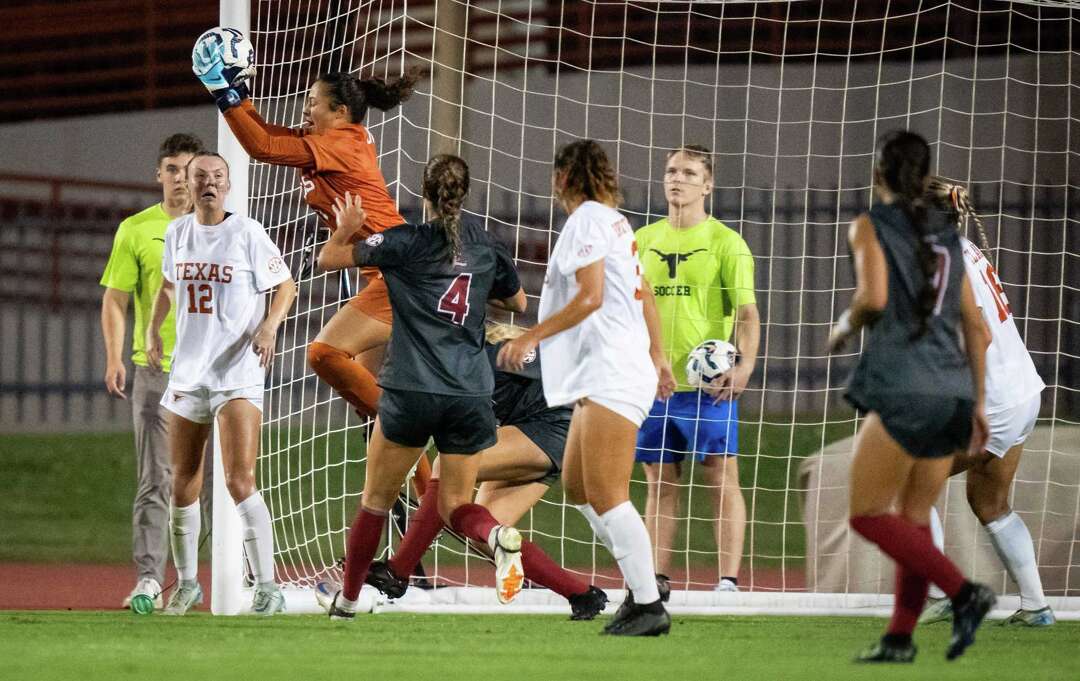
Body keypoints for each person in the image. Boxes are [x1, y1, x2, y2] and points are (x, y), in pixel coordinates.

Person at [315, 155, 528, 620]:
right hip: (470, 394)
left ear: (424, 193)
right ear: (465, 193)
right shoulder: (486, 245)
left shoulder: (402, 241)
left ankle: (348, 602)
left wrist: (347, 227)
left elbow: (329, 259)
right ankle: (494, 536)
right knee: (453, 506)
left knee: (375, 500)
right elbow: (517, 300)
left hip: (412, 391)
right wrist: (472, 286)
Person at [827, 130, 994, 662]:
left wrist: (844, 326)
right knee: (915, 517)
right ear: (925, 176)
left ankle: (966, 593)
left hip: (905, 388)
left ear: (878, 172)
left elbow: (872, 297)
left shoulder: (870, 225)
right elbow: (977, 325)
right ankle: (900, 638)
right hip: (953, 391)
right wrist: (979, 402)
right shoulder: (948, 235)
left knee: (867, 514)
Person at [498, 139, 677, 636]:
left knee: (607, 491)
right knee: (578, 488)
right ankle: (640, 589)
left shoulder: (586, 221)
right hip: (613, 370)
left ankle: (647, 602)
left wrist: (533, 334)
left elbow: (592, 295)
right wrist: (659, 358)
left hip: (611, 372)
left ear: (562, 178)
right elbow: (646, 297)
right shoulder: (617, 223)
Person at [320, 323, 607, 620]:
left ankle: (397, 572)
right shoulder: (464, 356)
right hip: (539, 436)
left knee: (449, 467)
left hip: (550, 431)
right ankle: (581, 595)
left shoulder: (482, 353)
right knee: (484, 533)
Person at [196, 63, 418, 419]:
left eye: (313, 102)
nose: (304, 107)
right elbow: (267, 135)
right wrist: (242, 99)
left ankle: (412, 426)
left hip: (399, 273)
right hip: (387, 272)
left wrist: (223, 95)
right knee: (372, 406)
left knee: (324, 354)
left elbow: (262, 147)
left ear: (340, 112)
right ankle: (422, 471)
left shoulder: (342, 143)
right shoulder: (333, 140)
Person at [146, 152, 297, 615]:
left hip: (238, 371)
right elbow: (170, 288)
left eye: (217, 177)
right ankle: (189, 583)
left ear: (228, 185)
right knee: (183, 483)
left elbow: (286, 285)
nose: (209, 183)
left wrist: (270, 326)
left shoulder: (246, 232)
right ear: (187, 186)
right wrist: (153, 329)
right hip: (189, 372)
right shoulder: (177, 233)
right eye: (200, 177)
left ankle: (268, 585)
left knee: (239, 479)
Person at [916, 178, 1053, 627]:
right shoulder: (966, 248)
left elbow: (977, 332)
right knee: (988, 501)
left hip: (992, 402)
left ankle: (943, 594)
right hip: (1024, 393)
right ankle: (1036, 606)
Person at [633, 145, 759, 594]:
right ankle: (653, 581)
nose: (677, 179)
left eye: (688, 172)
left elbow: (747, 313)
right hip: (655, 385)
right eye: (670, 171)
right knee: (658, 482)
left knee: (722, 476)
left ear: (707, 184)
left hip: (709, 387)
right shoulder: (643, 241)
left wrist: (745, 365)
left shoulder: (727, 242)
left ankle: (727, 581)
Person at [99, 132, 214, 610]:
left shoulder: (222, 229)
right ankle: (149, 578)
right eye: (170, 169)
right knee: (155, 479)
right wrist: (113, 356)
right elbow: (115, 300)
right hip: (156, 372)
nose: (179, 179)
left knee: (214, 484)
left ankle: (209, 576)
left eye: (187, 169)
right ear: (159, 174)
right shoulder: (136, 230)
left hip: (211, 373)